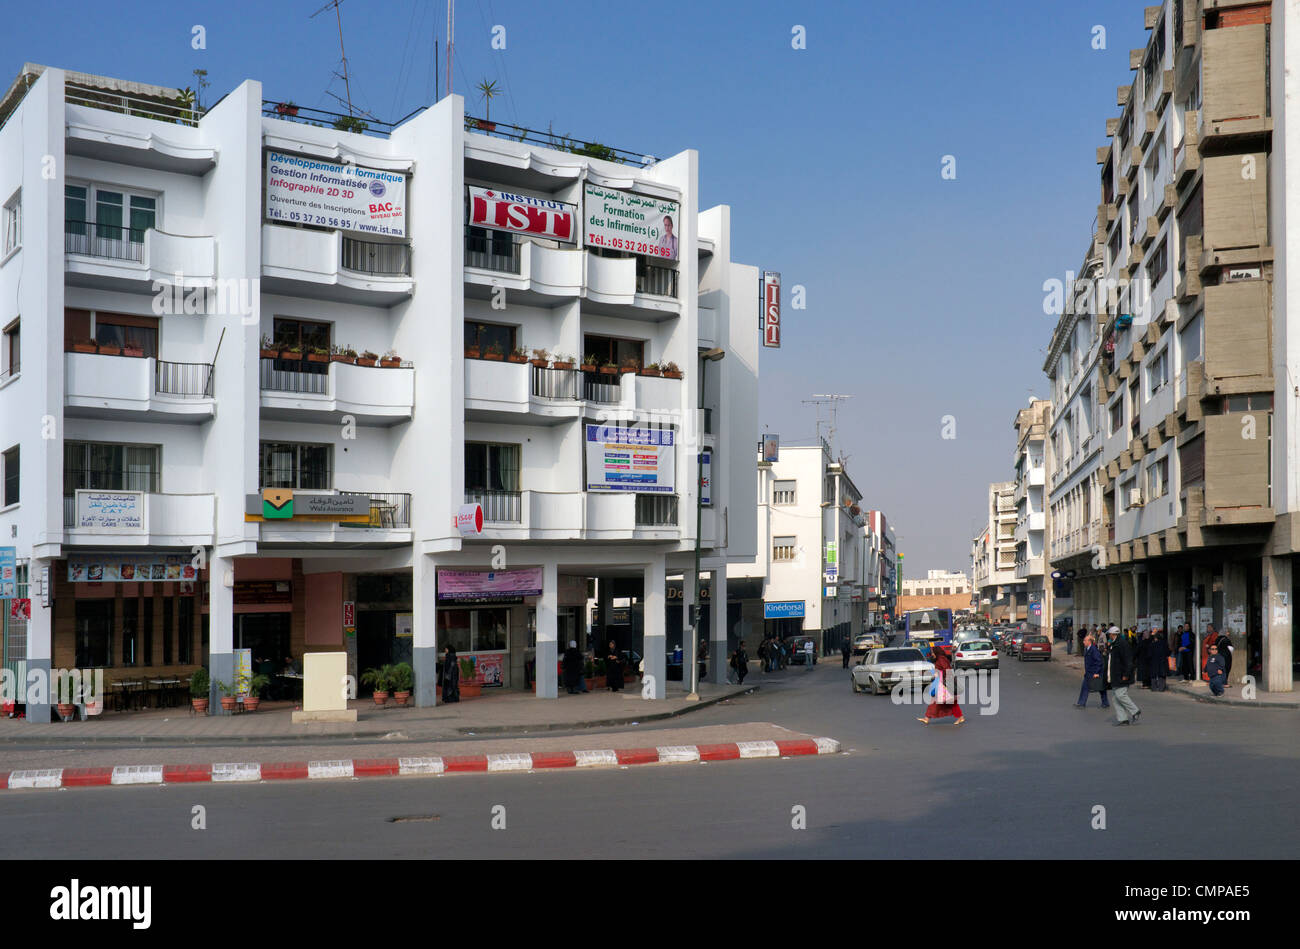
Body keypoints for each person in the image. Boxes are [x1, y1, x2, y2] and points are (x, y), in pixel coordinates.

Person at [919, 644, 964, 725]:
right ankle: (927, 718)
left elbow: (947, 669)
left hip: (944, 684)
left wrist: (940, 676)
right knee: (948, 702)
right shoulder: (940, 659)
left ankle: (927, 718)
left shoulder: (941, 659)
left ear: (936, 652)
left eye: (933, 652)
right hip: (942, 683)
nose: (932, 654)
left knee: (944, 702)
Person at [1105, 626, 1140, 726]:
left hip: (1122, 675)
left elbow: (1128, 661)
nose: (1109, 636)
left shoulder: (1122, 644)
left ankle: (1135, 711)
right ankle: (1123, 719)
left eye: (1110, 634)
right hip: (1116, 674)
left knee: (1120, 695)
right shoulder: (1115, 644)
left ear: (1113, 634)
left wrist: (1126, 674)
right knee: (1116, 698)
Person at [1076, 633, 1110, 708]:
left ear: (1089, 642)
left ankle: (1105, 703)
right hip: (1088, 672)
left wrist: (1096, 672)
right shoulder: (1087, 649)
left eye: (1085, 640)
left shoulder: (1094, 650)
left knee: (1101, 688)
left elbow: (1099, 662)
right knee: (1085, 687)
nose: (1083, 642)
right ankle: (1081, 703)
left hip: (1094, 672)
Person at [1148, 628, 1170, 692]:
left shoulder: (1152, 644)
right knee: (1162, 674)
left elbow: (1149, 654)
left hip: (1154, 661)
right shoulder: (1164, 644)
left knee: (1153, 675)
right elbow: (1168, 652)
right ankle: (1161, 688)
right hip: (1162, 661)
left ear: (1155, 638)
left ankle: (1154, 688)